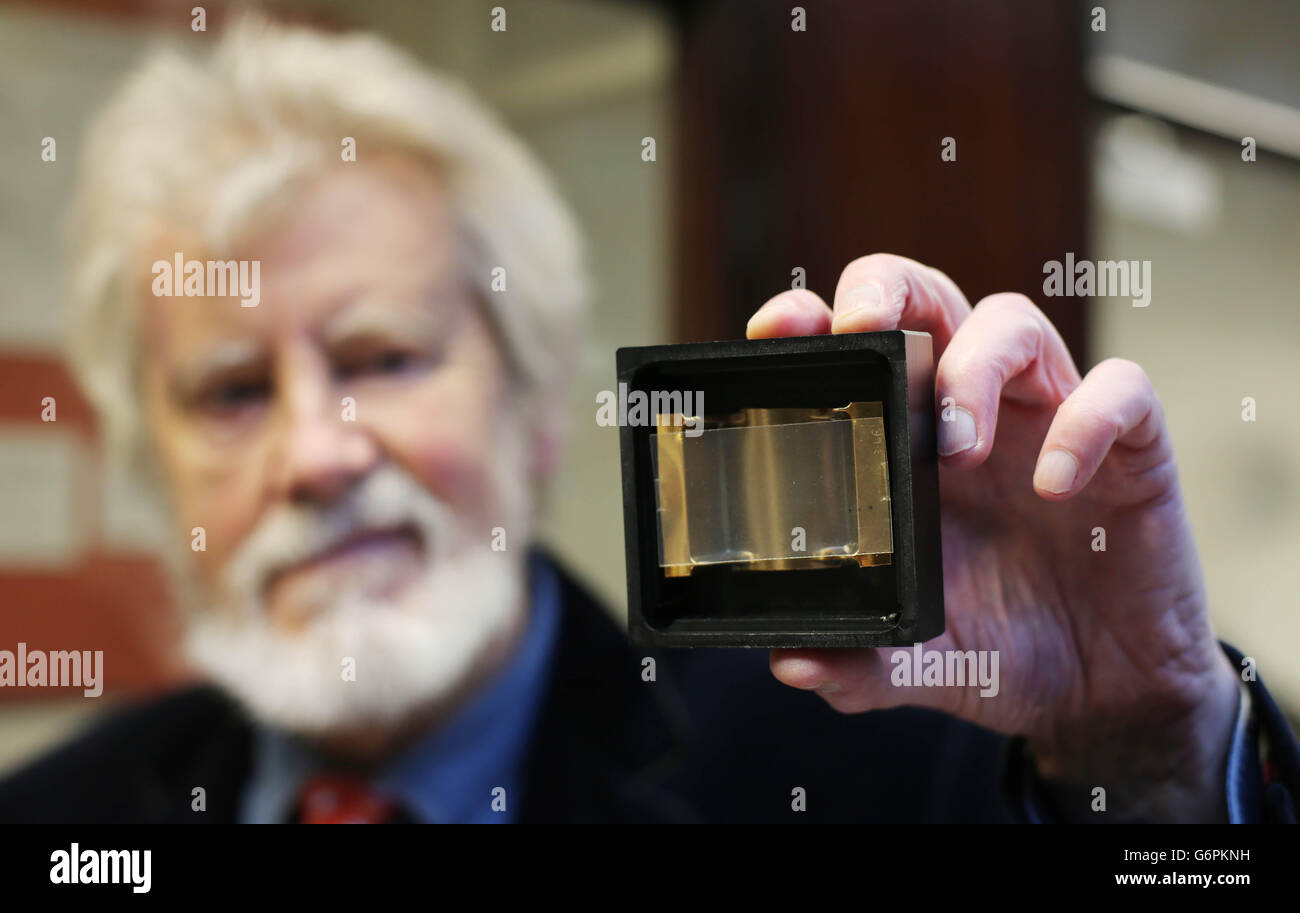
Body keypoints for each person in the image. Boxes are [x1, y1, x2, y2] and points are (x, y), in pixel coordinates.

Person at [0, 15, 1295, 824]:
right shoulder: (59, 821)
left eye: (383, 357)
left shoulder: (889, 768)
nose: (316, 453)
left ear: (536, 406)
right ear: (150, 461)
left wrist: (1148, 743)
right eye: (230, 390)